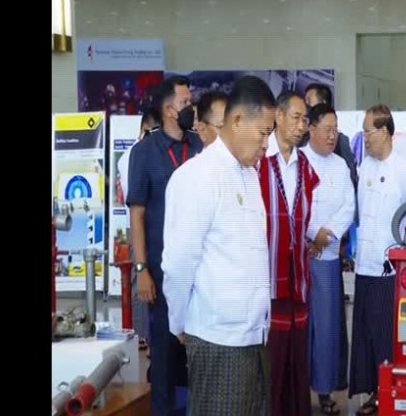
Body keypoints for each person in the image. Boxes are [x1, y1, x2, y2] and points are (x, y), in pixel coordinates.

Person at [161, 75, 276, 416]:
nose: (266, 145)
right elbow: (179, 263)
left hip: (253, 337)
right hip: (216, 339)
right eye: (263, 133)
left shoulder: (250, 174)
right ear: (237, 121)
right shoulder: (198, 176)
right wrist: (180, 324)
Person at [127, 75, 202, 416]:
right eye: (186, 103)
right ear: (170, 109)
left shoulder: (198, 147)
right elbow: (137, 216)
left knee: (196, 354)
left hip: (199, 273)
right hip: (160, 272)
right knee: (164, 356)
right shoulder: (144, 153)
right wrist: (141, 270)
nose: (192, 108)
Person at [350, 104, 406, 416]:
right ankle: (371, 391)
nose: (365, 137)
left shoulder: (405, 169)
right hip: (364, 262)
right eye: (363, 131)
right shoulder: (365, 167)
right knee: (363, 334)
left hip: (388, 268)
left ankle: (389, 393)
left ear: (386, 132)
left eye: (369, 131)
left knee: (385, 335)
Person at [259, 91, 320, 416]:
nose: (301, 126)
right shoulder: (258, 162)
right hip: (266, 278)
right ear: (278, 117)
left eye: (305, 120)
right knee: (273, 362)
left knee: (298, 360)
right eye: (295, 118)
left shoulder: (304, 164)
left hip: (298, 276)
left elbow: (306, 217)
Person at [302, 103, 356, 415]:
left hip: (328, 256)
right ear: (311, 128)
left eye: (336, 130)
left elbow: (349, 205)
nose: (332, 136)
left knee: (327, 327)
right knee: (300, 329)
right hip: (302, 255)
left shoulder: (339, 165)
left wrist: (328, 234)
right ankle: (298, 387)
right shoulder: (299, 161)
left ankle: (324, 390)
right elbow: (295, 203)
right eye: (327, 130)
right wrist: (312, 234)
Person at [118, 109, 159, 352]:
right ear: (145, 129)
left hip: (147, 228)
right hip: (136, 229)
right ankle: (140, 334)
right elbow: (138, 202)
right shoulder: (133, 155)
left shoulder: (142, 153)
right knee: (138, 282)